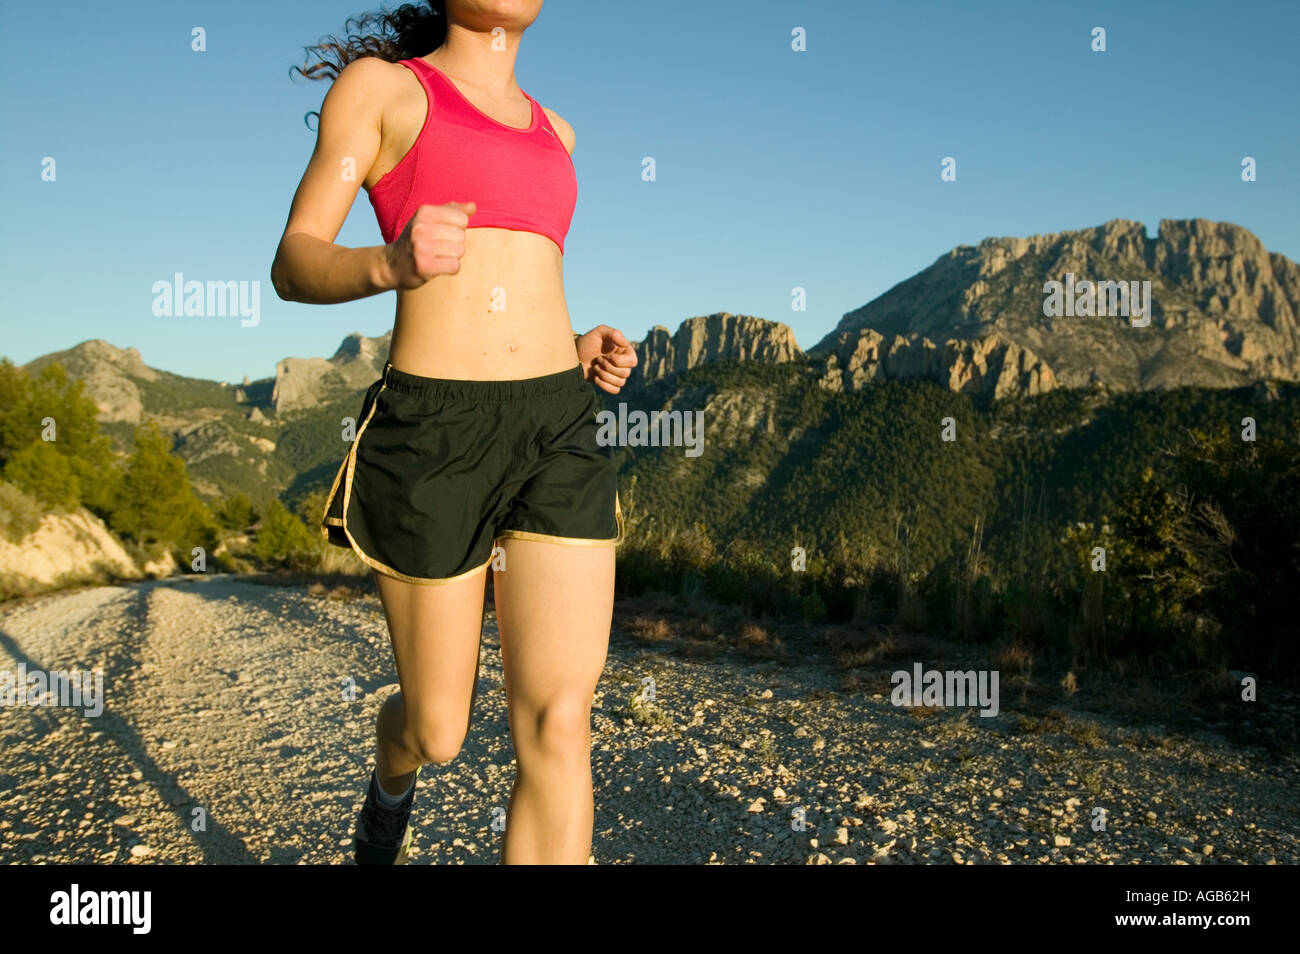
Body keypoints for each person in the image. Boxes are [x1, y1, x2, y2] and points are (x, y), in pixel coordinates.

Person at [270, 0, 637, 865]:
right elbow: (293, 260)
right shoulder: (387, 92)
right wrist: (387, 263)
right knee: (438, 728)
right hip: (434, 431)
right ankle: (390, 778)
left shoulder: (560, 133)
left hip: (555, 425)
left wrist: (572, 347)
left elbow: (526, 275)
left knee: (559, 721)